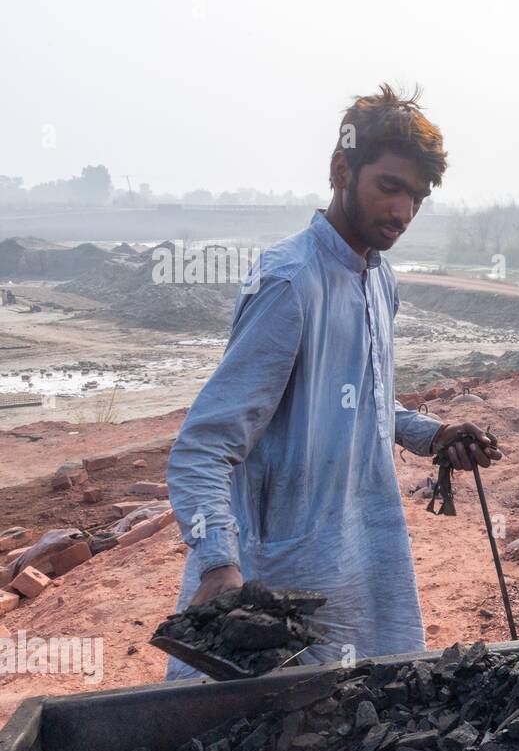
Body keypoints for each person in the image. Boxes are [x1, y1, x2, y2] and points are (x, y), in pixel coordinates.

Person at [165, 84, 502, 680]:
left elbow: (359, 397)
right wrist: (219, 562)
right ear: (342, 169)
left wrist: (432, 434)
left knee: (366, 735)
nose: (403, 212)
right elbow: (203, 447)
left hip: (366, 562)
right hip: (281, 586)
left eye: (417, 198)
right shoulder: (290, 283)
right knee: (259, 745)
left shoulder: (380, 278)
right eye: (390, 187)